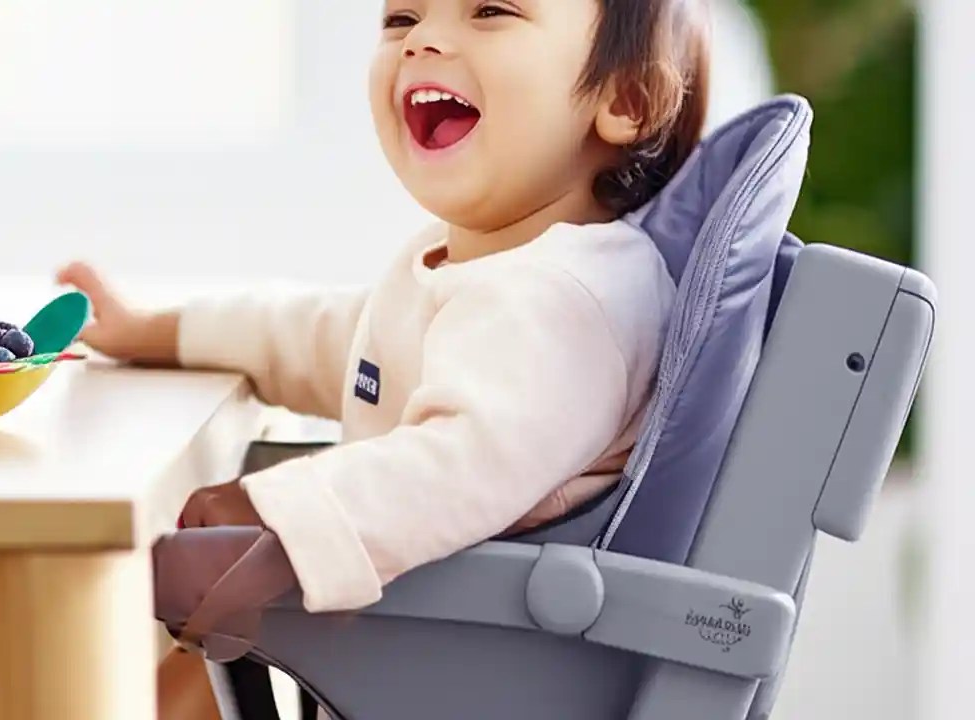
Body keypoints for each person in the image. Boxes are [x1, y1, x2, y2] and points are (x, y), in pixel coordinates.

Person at [61, 0, 707, 708]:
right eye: (401, 18)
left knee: (119, 636)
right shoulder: (501, 271)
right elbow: (342, 336)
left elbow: (458, 465)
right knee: (170, 662)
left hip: (468, 674)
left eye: (490, 11)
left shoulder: (566, 303)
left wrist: (282, 516)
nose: (424, 41)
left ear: (628, 99)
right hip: (422, 654)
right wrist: (157, 331)